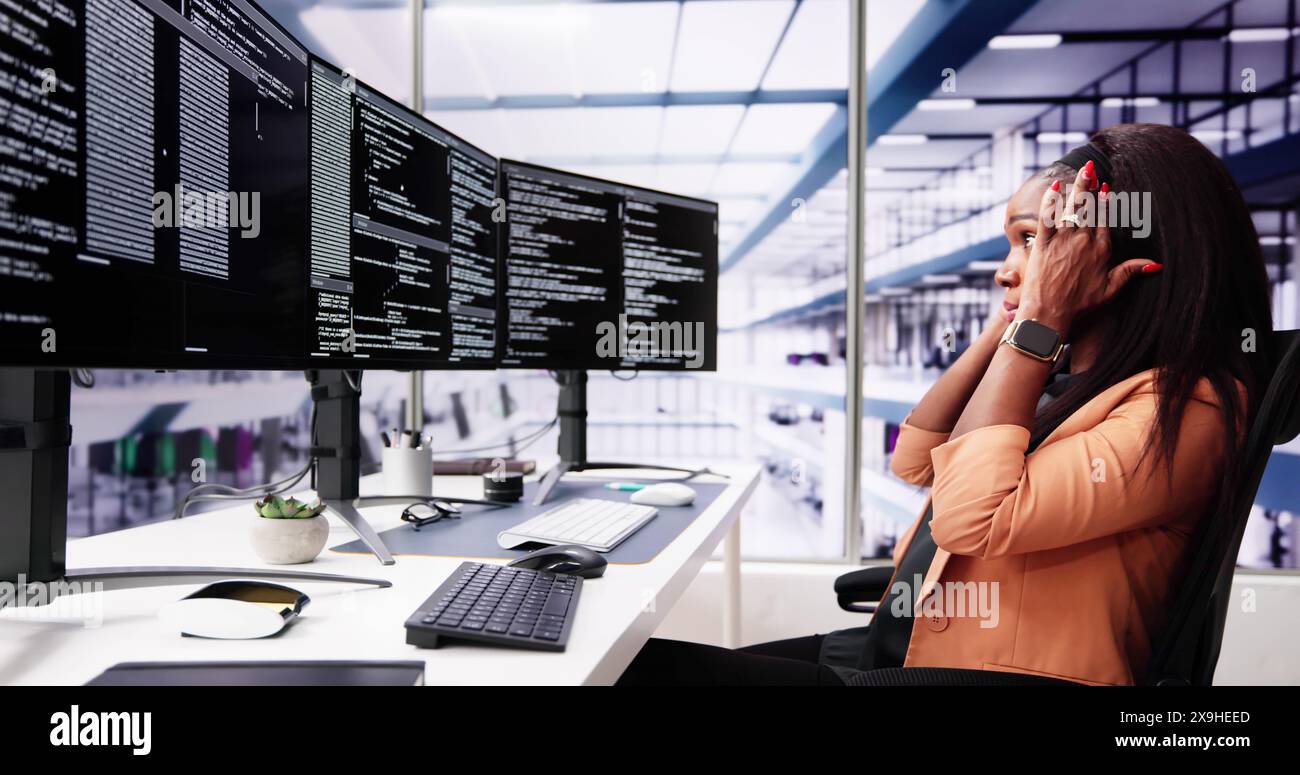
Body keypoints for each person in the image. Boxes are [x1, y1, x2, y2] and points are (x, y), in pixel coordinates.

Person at [618, 123, 1274, 686]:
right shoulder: (1068, 382)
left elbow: (968, 519)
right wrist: (1008, 325)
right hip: (903, 650)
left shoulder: (1190, 409)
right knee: (626, 664)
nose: (1009, 266)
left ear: (1130, 253)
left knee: (635, 674)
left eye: (1041, 238)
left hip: (987, 677)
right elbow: (915, 457)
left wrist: (1041, 315)